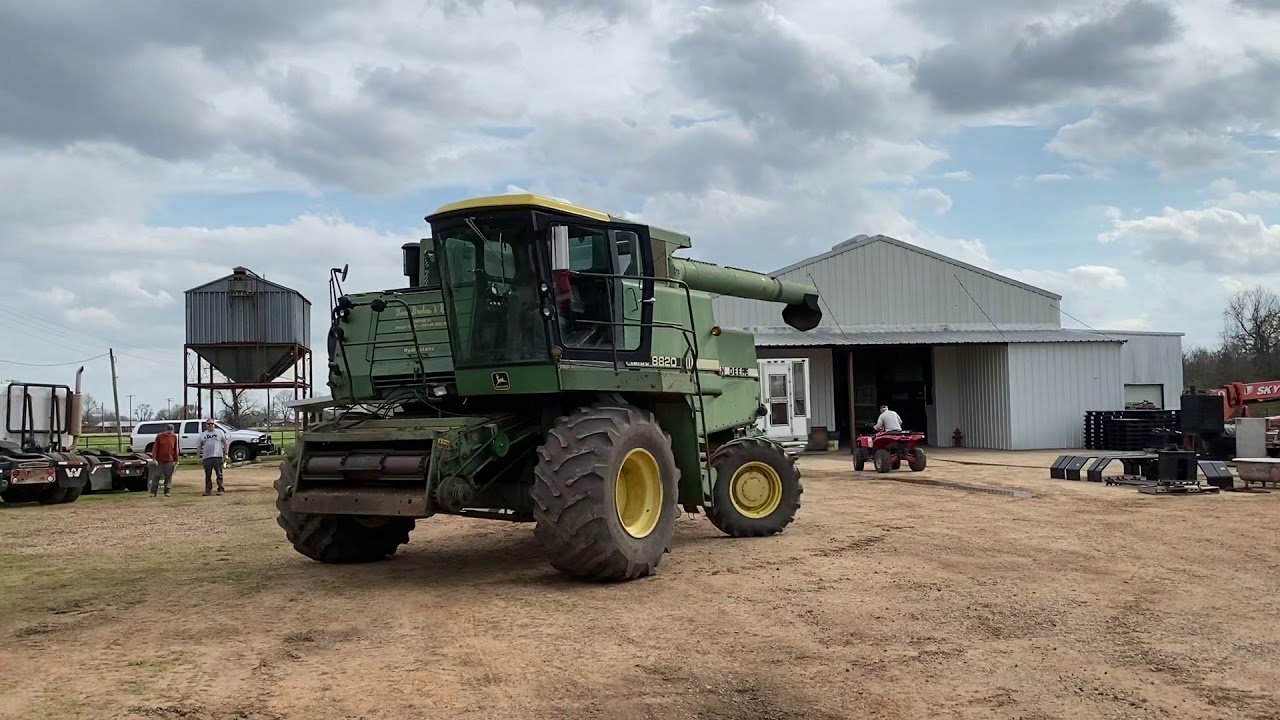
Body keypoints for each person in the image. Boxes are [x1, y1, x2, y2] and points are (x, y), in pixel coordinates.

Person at [198, 419, 228, 496]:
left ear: (214, 424)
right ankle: (208, 490)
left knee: (219, 473)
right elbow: (199, 446)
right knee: (208, 474)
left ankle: (220, 489)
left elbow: (225, 443)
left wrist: (226, 453)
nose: (210, 425)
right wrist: (199, 456)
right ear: (206, 425)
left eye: (212, 424)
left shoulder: (220, 432)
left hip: (217, 456)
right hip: (207, 457)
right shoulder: (203, 435)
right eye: (209, 424)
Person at [149, 424, 179, 497]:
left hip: (170, 460)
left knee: (168, 476)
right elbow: (155, 448)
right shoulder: (159, 436)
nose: (169, 433)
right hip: (160, 460)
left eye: (171, 431)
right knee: (157, 476)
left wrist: (176, 459)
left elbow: (176, 448)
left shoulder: (174, 437)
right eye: (168, 431)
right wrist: (154, 458)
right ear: (165, 430)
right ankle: (153, 492)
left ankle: (167, 491)